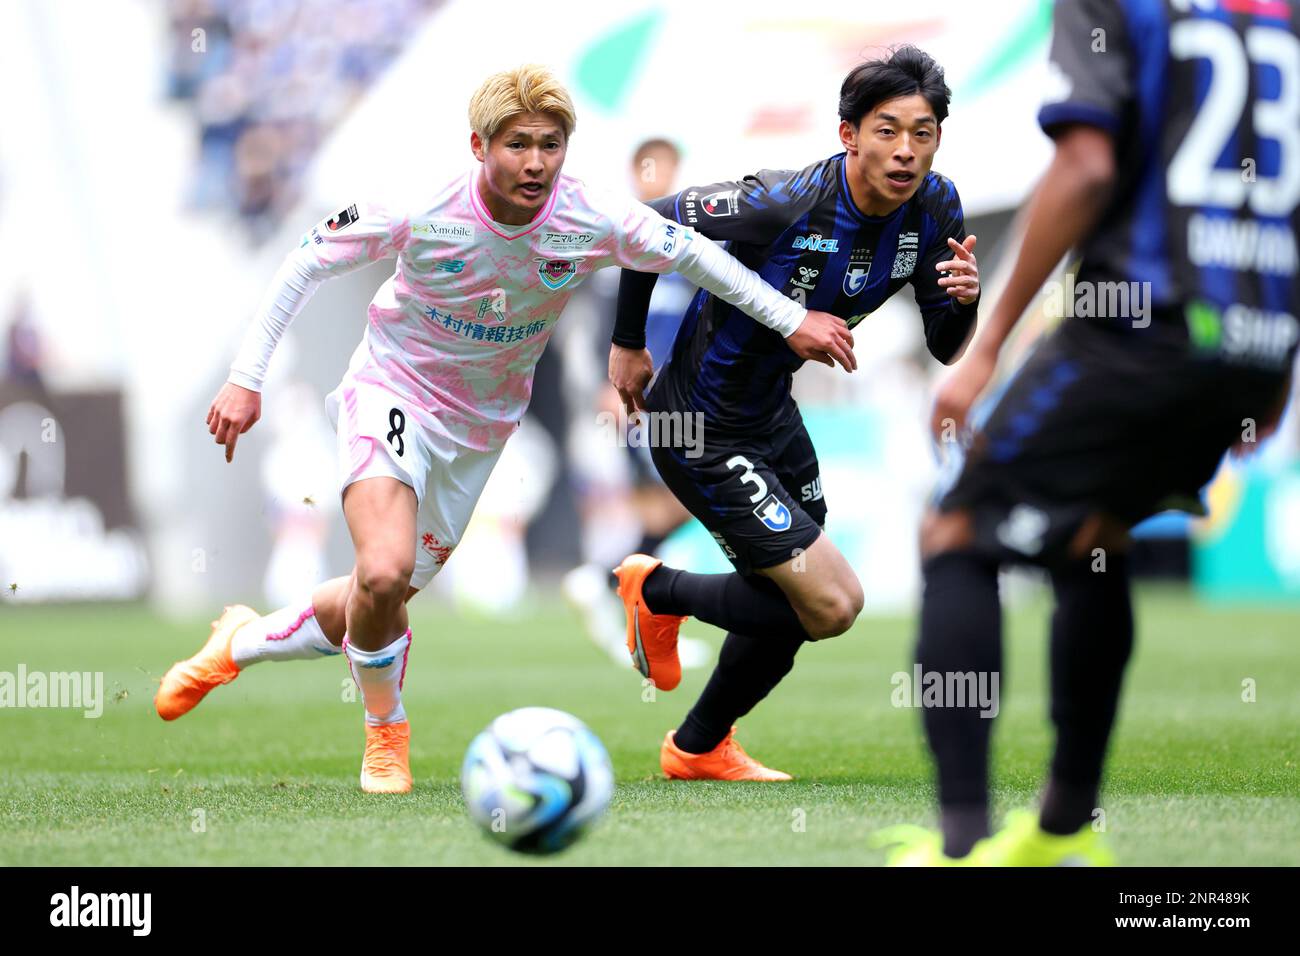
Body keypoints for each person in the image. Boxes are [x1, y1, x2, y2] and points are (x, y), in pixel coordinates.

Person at [154, 64, 856, 794]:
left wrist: (791, 317)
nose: (535, 162)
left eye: (551, 144)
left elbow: (696, 255)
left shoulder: (591, 214)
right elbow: (304, 261)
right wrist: (245, 376)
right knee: (386, 569)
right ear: (479, 146)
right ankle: (386, 736)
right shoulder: (421, 204)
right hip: (392, 390)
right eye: (517, 145)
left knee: (379, 594)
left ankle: (235, 642)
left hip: (481, 427)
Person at [880, 0, 1298, 864]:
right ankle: (1064, 831)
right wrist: (1280, 355)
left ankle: (962, 844)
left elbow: (1087, 164)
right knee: (1094, 537)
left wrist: (986, 344)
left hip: (1140, 326)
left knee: (956, 530)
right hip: (1251, 336)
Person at [610, 46, 981, 780]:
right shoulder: (782, 200)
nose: (905, 150)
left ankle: (697, 747)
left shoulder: (936, 206)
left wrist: (965, 302)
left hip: (773, 418)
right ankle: (654, 589)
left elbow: (945, 346)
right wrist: (627, 344)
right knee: (833, 604)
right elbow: (643, 224)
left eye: (922, 132)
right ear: (849, 134)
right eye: (887, 130)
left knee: (795, 602)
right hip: (699, 425)